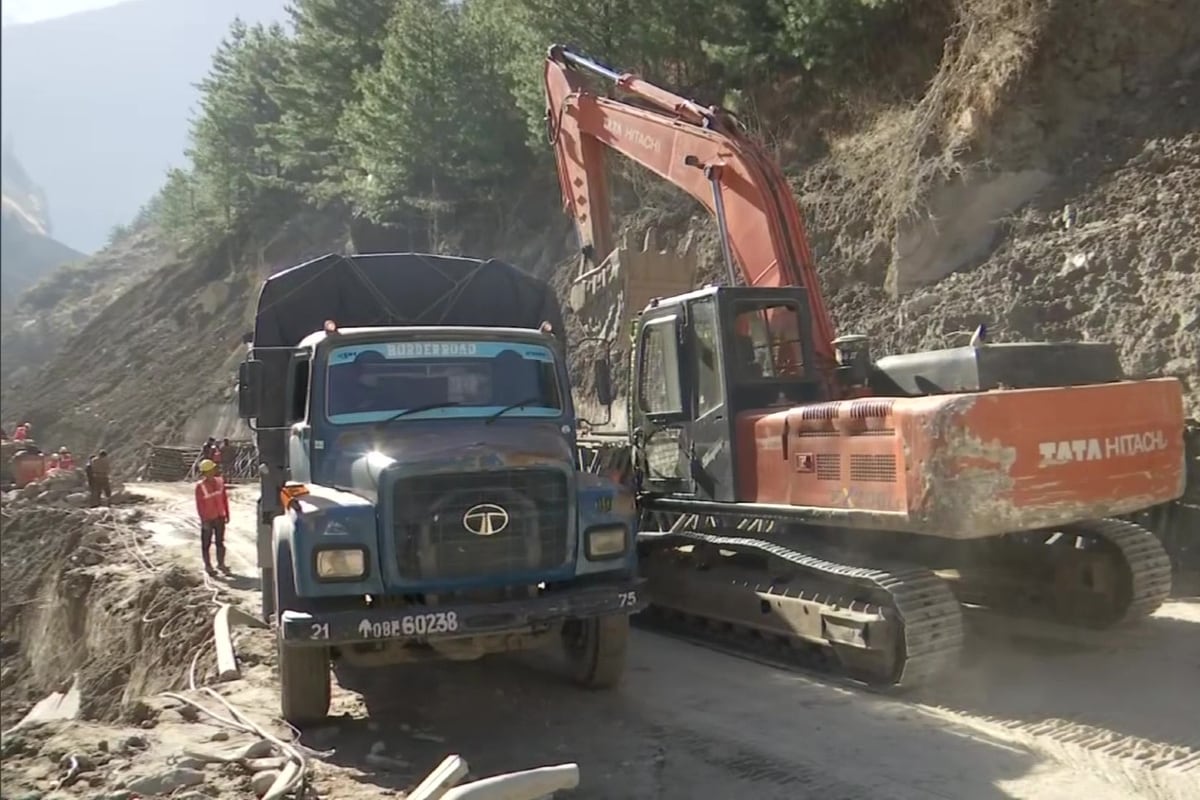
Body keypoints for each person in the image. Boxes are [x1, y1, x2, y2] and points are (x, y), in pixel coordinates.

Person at [194, 459, 230, 576]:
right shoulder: (200, 486)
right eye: (210, 471)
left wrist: (227, 514)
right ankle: (208, 566)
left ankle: (221, 564)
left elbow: (224, 499)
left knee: (220, 542)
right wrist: (203, 520)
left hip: (219, 516)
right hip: (208, 519)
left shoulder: (220, 482)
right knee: (206, 544)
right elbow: (200, 505)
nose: (212, 472)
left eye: (213, 470)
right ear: (205, 472)